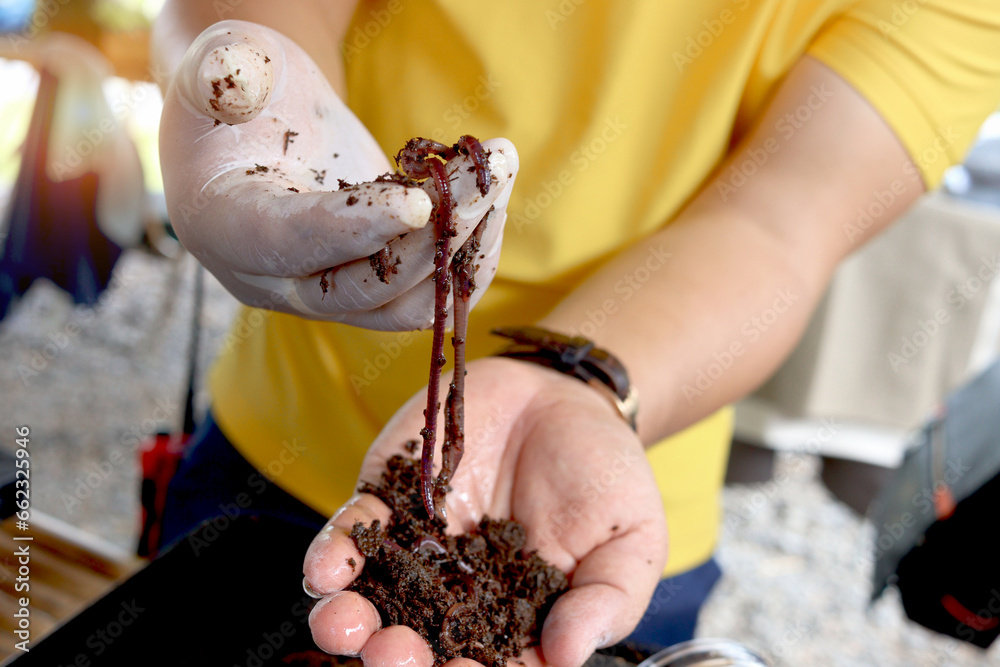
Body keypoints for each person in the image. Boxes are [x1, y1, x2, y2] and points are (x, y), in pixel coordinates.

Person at [151, 1, 1000, 666]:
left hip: (583, 503)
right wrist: (252, 94)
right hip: (281, 426)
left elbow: (781, 222)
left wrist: (578, 380)